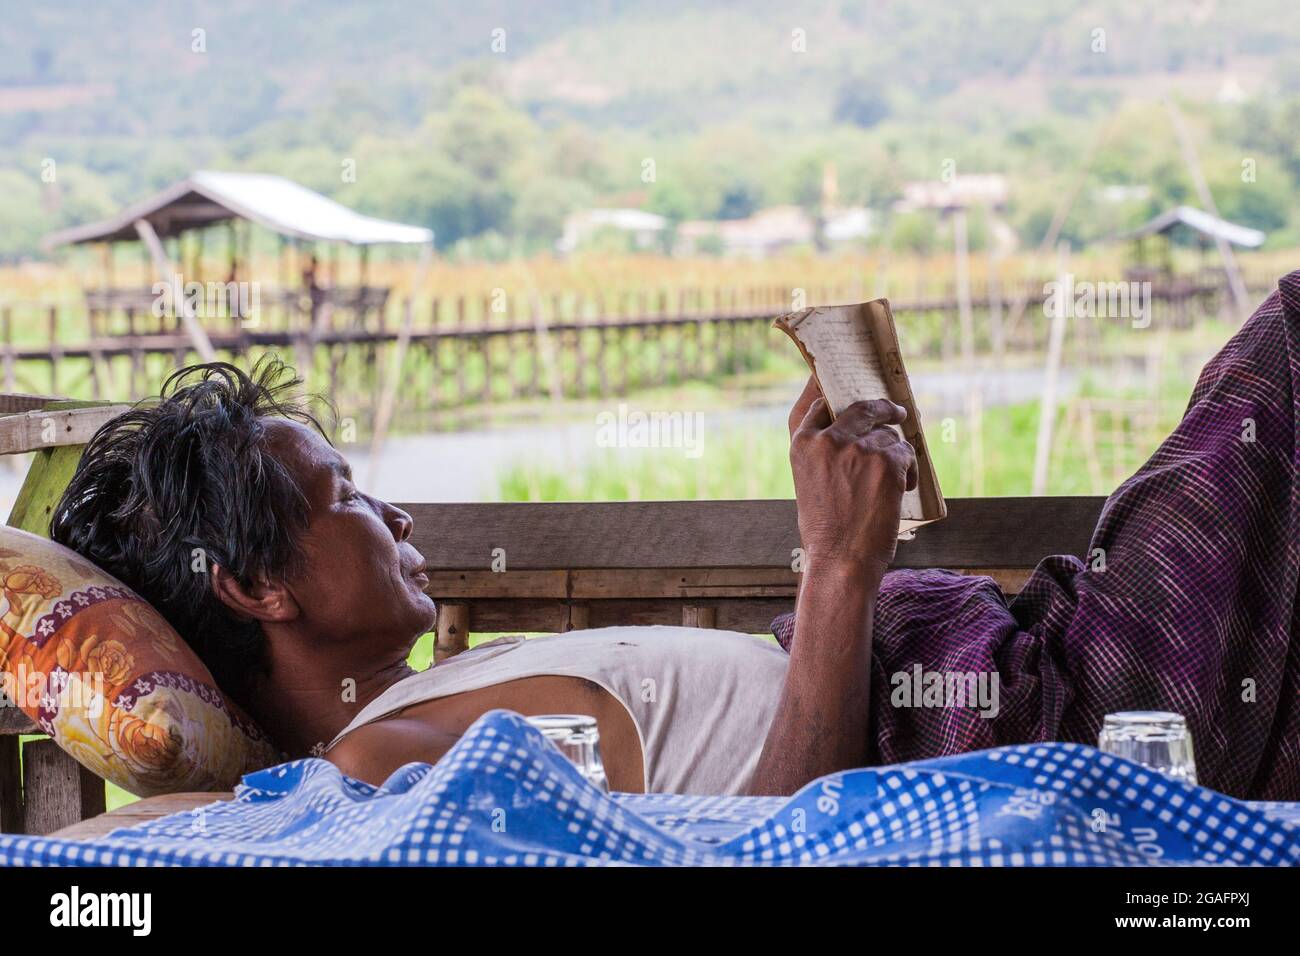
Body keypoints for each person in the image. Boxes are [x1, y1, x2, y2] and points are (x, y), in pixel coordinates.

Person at [50, 274, 1300, 800]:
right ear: (260, 582)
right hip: (1051, 712)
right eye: (346, 498)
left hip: (1021, 668)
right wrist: (839, 562)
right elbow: (782, 842)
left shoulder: (436, 704)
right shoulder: (407, 759)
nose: (398, 514)